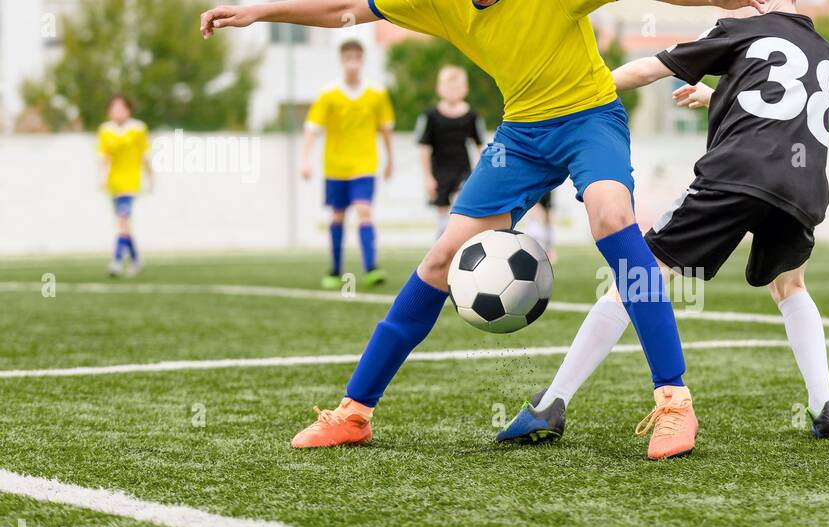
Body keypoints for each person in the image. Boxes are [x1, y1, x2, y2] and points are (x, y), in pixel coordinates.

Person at [200, 0, 763, 460]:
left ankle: (673, 400)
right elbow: (346, 7)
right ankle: (354, 413)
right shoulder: (437, 2)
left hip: (590, 118)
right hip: (520, 135)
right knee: (442, 260)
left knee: (612, 217)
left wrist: (720, 1)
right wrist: (257, 11)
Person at [497, 0, 829, 444]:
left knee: (635, 274)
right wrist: (716, 95)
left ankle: (553, 401)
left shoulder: (740, 29)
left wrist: (572, 94)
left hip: (737, 174)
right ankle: (826, 407)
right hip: (803, 186)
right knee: (790, 286)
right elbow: (777, 103)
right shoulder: (821, 48)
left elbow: (648, 69)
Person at [303, 39, 395, 290]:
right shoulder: (329, 93)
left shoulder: (377, 93)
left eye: (357, 58)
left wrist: (390, 160)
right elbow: (312, 128)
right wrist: (305, 160)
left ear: (362, 60)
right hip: (335, 166)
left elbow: (385, 129)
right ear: (342, 61)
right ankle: (335, 270)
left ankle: (371, 268)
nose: (353, 63)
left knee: (364, 210)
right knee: (337, 215)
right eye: (348, 58)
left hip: (365, 165)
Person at [416, 65, 485, 239]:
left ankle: (457, 241)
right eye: (448, 86)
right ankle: (442, 240)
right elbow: (424, 148)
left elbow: (479, 146)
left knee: (459, 205)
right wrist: (427, 177)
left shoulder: (472, 116)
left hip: (463, 170)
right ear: (439, 88)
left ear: (465, 89)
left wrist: (480, 173)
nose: (453, 91)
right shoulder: (430, 116)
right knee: (442, 211)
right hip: (439, 171)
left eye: (457, 87)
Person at [98, 95, 152, 278]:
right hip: (114, 183)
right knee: (124, 225)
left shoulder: (138, 129)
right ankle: (137, 260)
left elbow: (145, 156)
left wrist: (151, 177)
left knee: (122, 222)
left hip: (130, 182)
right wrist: (102, 178)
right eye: (114, 108)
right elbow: (104, 157)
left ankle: (117, 261)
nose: (118, 111)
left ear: (129, 109)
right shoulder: (105, 130)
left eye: (121, 107)